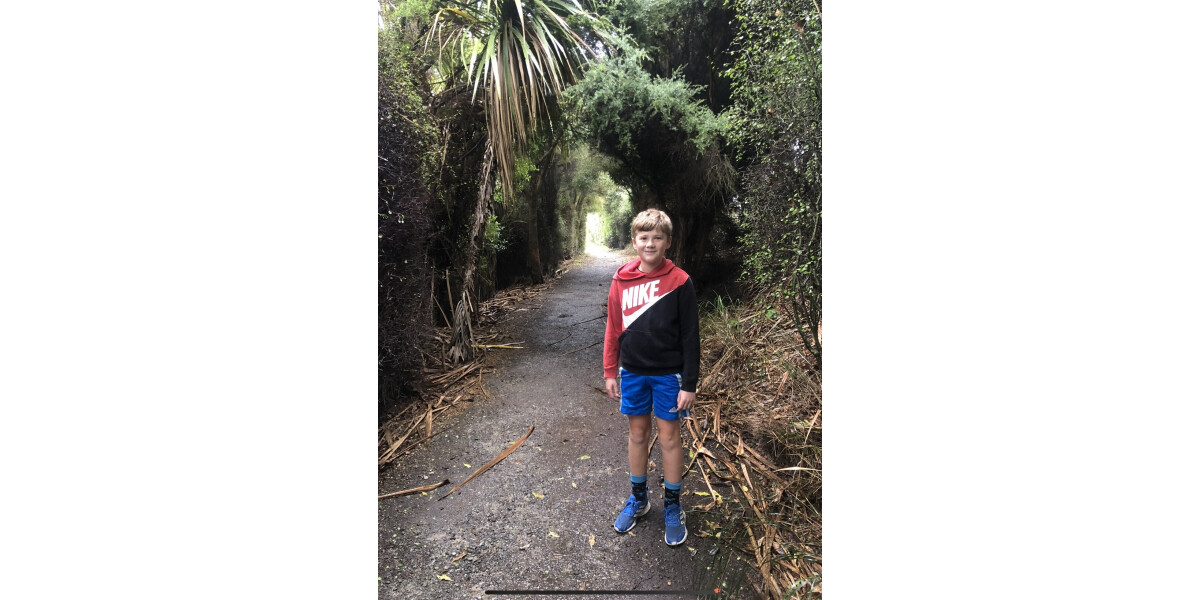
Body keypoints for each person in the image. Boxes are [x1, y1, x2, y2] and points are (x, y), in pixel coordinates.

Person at [603, 208, 700, 546]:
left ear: (667, 243)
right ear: (634, 241)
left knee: (670, 437)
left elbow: (691, 336)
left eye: (657, 237)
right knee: (637, 434)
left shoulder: (680, 282)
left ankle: (673, 505)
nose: (650, 243)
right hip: (632, 372)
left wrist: (689, 383)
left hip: (668, 376)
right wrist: (609, 371)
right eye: (644, 237)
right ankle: (639, 499)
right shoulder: (621, 281)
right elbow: (613, 328)